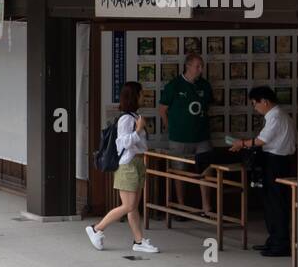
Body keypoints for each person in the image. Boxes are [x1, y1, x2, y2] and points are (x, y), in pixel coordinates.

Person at [86, 82, 160, 254]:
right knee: (128, 205)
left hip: (137, 163)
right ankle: (97, 228)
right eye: (141, 93)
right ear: (134, 96)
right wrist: (138, 130)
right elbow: (123, 142)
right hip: (128, 164)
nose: (143, 96)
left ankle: (139, 241)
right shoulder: (127, 118)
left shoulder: (134, 115)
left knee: (133, 207)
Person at [231, 86, 297, 258]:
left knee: (277, 203)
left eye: (255, 103)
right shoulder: (278, 115)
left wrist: (242, 143)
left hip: (277, 161)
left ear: (265, 101)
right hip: (275, 160)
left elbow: (262, 140)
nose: (255, 107)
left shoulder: (275, 116)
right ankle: (273, 240)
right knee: (271, 203)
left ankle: (280, 244)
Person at [160, 53, 215, 219]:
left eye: (202, 66)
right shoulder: (174, 85)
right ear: (188, 66)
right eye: (198, 66)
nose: (201, 69)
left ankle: (207, 208)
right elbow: (163, 109)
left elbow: (209, 107)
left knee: (206, 171)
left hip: (202, 137)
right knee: (179, 172)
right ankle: (181, 207)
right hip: (179, 138)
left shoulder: (205, 85)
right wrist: (171, 127)